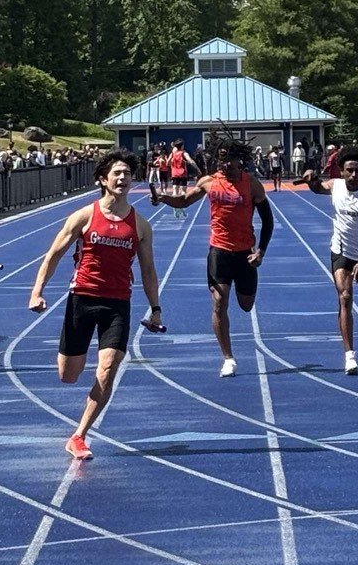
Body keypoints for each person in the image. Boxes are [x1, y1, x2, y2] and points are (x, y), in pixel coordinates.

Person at [28, 151, 162, 461]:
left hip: (117, 303)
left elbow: (148, 270)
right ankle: (76, 362)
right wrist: (37, 291)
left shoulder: (141, 226)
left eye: (127, 173)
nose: (122, 178)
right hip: (83, 299)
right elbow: (53, 255)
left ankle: (79, 435)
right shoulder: (84, 217)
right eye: (116, 173)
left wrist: (156, 308)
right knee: (68, 375)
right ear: (103, 179)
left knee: (108, 368)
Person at [151, 131, 274, 377]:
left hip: (245, 253)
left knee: (246, 304)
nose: (225, 164)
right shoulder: (209, 181)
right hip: (219, 250)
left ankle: (243, 298)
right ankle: (228, 358)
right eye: (221, 159)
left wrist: (261, 250)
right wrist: (162, 198)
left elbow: (267, 219)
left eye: (230, 159)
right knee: (219, 302)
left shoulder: (251, 184)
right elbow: (185, 201)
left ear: (240, 160)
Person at [302, 145, 358, 375]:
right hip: (341, 251)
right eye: (349, 170)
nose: (353, 175)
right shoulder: (335, 186)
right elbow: (318, 188)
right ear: (342, 171)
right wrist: (310, 178)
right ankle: (349, 356)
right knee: (345, 297)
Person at [166, 139, 197, 219]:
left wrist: (172, 164)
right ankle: (181, 206)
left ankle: (175, 207)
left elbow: (167, 162)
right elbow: (191, 161)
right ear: (182, 146)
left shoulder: (173, 153)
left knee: (175, 191)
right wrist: (198, 170)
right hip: (182, 174)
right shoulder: (183, 153)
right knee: (183, 192)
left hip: (175, 174)